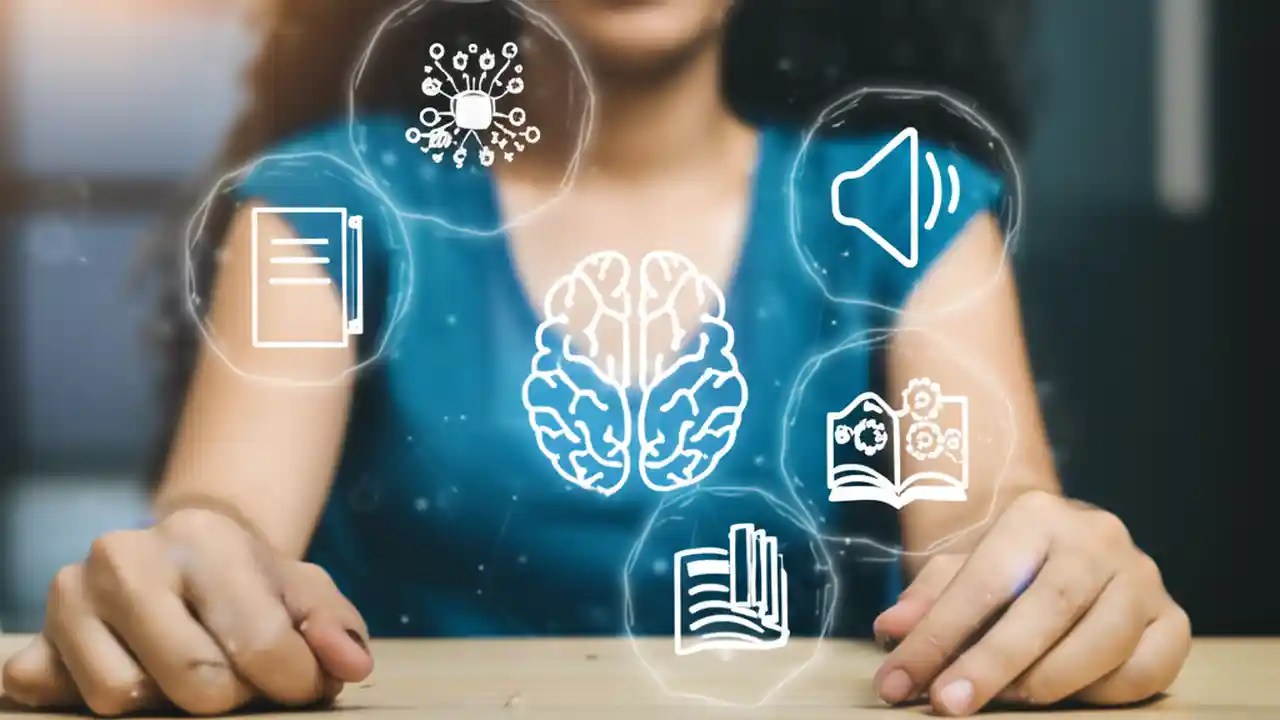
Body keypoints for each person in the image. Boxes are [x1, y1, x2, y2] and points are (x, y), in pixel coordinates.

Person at [3, 0, 1189, 716]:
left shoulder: (905, 202)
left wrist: (1046, 564)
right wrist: (191, 565)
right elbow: (224, 520)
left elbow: (983, 516)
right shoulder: (335, 199)